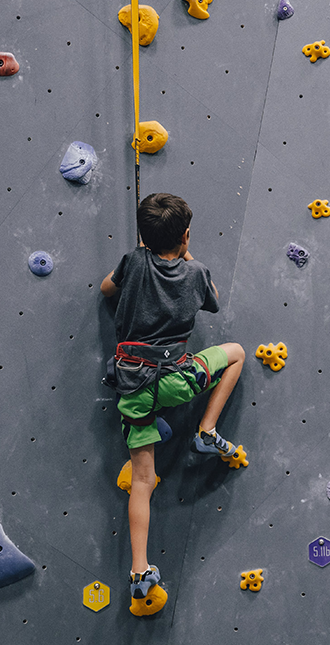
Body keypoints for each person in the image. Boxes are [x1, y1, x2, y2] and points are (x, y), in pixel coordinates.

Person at [100, 192, 246, 604]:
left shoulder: (133, 261)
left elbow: (107, 289)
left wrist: (141, 257)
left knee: (142, 482)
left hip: (132, 391)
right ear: (184, 236)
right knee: (235, 354)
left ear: (143, 237)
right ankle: (206, 429)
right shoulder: (196, 272)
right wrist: (185, 254)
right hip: (176, 381)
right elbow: (212, 300)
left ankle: (139, 568)